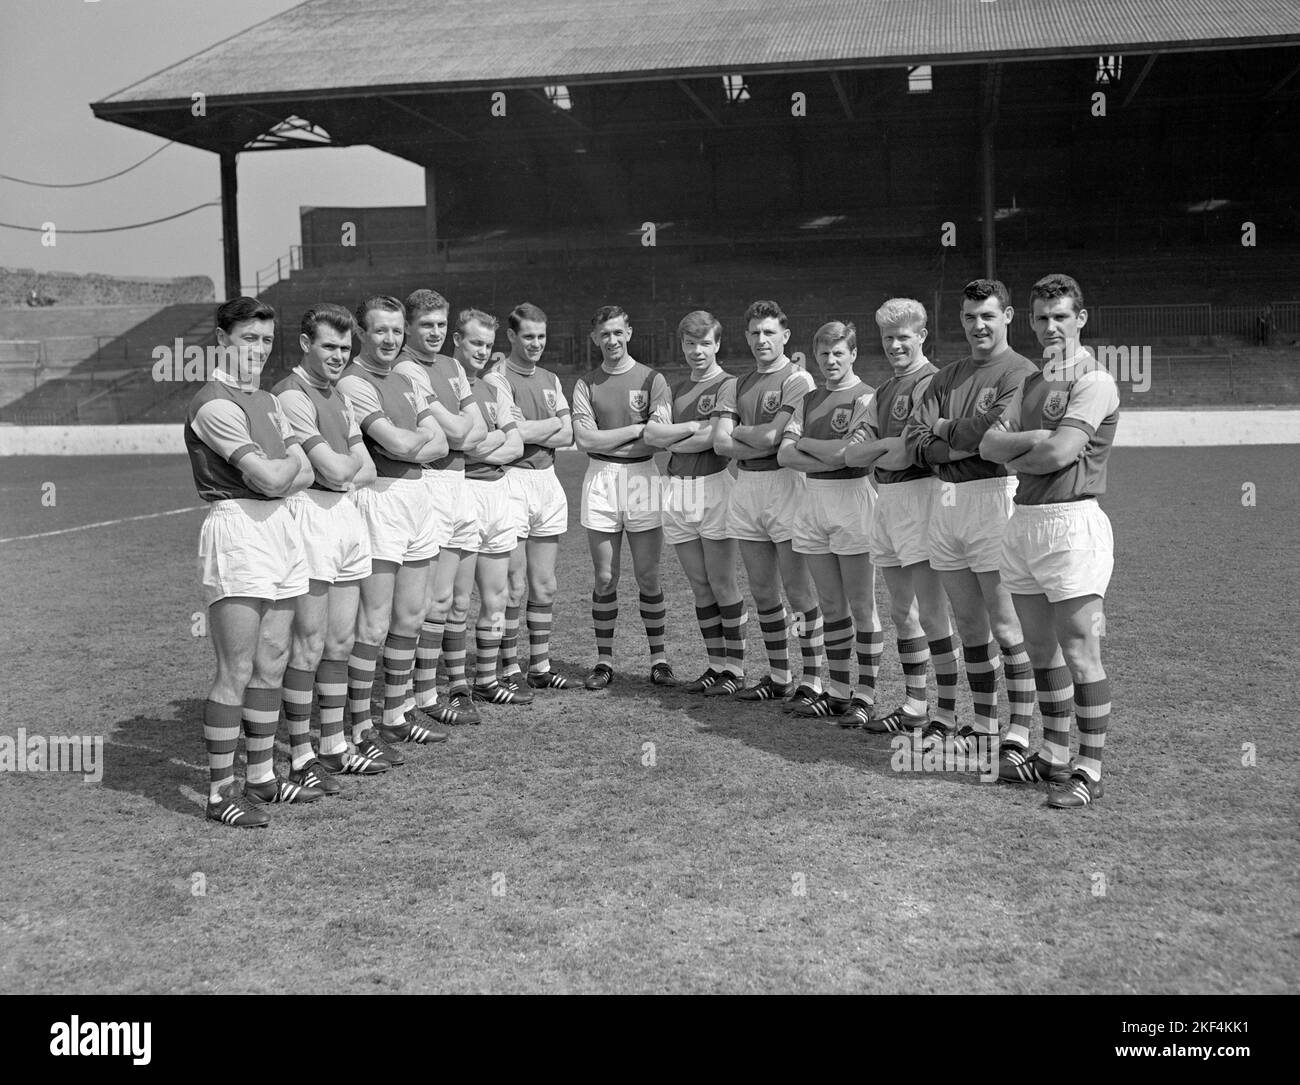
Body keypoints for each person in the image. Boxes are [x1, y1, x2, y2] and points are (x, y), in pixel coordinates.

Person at [979, 274, 1119, 808]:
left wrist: (1019, 448)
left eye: (1061, 316)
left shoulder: (1096, 380)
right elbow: (989, 444)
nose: (1050, 326)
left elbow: (1060, 454)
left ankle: (1089, 769)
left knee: (1081, 651)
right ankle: (1054, 756)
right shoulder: (1031, 383)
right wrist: (1025, 443)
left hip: (1072, 524)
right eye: (1041, 317)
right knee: (1040, 650)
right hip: (1024, 522)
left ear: (1081, 318)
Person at [185, 296, 319, 827]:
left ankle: (261, 778)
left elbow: (304, 473)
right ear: (222, 339)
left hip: (281, 526)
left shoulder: (267, 399)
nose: (258, 350)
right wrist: (285, 467)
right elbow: (270, 478)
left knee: (274, 658)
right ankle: (220, 791)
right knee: (236, 667)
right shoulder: (213, 403)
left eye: (266, 340)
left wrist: (283, 468)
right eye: (248, 339)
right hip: (238, 525)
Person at [903, 279, 1038, 757]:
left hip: (994, 498)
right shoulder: (947, 375)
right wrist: (951, 440)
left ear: (1007, 316)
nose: (977, 325)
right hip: (946, 501)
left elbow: (992, 438)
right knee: (969, 624)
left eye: (987, 316)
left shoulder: (1021, 373)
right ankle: (982, 721)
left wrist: (947, 434)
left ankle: (1019, 729)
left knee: (1006, 624)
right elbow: (915, 443)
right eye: (969, 317)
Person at [272, 303, 389, 787]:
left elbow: (368, 468)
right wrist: (344, 466)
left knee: (342, 639)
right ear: (305, 344)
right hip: (311, 514)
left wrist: (344, 466)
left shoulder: (338, 396)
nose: (340, 355)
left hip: (346, 515)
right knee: (310, 642)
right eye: (329, 346)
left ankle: (335, 744)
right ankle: (300, 754)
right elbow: (340, 469)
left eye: (345, 347)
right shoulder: (291, 394)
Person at [337, 295, 449, 766]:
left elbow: (440, 443)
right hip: (380, 497)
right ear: (363, 333)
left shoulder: (406, 378)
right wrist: (417, 440)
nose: (390, 339)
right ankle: (360, 725)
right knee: (375, 620)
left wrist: (415, 443)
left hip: (419, 495)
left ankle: (396, 713)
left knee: (412, 613)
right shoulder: (353, 381)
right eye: (380, 330)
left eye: (396, 331)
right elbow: (399, 442)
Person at [844, 298, 959, 736]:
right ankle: (914, 705)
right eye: (888, 338)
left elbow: (905, 450)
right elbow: (853, 452)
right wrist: (883, 450)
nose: (895, 345)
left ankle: (945, 715)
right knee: (900, 610)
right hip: (886, 500)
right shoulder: (884, 390)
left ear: (922, 336)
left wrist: (881, 450)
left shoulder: (934, 382)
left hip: (922, 497)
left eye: (903, 337)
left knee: (932, 612)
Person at [711, 300, 826, 711]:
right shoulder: (734, 385)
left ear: (785, 336)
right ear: (746, 337)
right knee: (762, 590)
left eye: (769, 332)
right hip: (746, 488)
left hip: (786, 486)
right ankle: (780, 677)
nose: (762, 339)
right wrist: (751, 436)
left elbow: (774, 441)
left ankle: (812, 679)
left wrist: (744, 434)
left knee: (798, 590)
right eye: (755, 333)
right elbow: (720, 443)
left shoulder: (798, 378)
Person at [391, 288, 487, 726]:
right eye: (426, 324)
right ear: (409, 327)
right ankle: (416, 695)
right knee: (426, 599)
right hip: (428, 482)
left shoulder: (451, 365)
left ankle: (435, 690)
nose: (434, 332)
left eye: (441, 325)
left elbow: (476, 431)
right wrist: (463, 431)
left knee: (449, 598)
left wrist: (462, 431)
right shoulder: (406, 368)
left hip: (459, 482)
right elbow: (447, 435)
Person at [777, 321, 879, 723]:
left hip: (852, 499)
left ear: (853, 353)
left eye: (839, 353)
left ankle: (866, 695)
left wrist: (805, 443)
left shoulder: (865, 396)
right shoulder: (809, 397)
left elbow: (849, 455)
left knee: (861, 605)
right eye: (824, 354)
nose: (831, 361)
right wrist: (820, 451)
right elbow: (785, 455)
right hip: (812, 500)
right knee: (832, 605)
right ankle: (837, 691)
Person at [571, 304, 677, 690]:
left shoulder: (653, 380)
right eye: (604, 334)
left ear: (629, 332)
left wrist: (634, 433)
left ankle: (659, 659)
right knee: (604, 577)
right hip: (600, 478)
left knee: (648, 576)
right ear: (594, 338)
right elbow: (585, 440)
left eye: (618, 332)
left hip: (642, 477)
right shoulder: (586, 384)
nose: (612, 340)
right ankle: (603, 661)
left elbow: (658, 435)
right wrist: (636, 429)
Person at [645, 310, 746, 696]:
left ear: (717, 344)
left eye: (705, 343)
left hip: (713, 486)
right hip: (677, 490)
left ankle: (735, 670)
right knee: (700, 585)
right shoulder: (673, 388)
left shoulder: (728, 385)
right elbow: (654, 434)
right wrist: (686, 431)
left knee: (722, 582)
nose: (697, 351)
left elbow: (714, 439)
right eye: (690, 343)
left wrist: (673, 438)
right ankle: (715, 665)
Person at [447, 308, 533, 707]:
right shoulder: (443, 385)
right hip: (462, 492)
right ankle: (455, 684)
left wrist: (482, 447)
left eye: (487, 344)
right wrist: (492, 442)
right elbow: (455, 447)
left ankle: (486, 678)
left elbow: (516, 446)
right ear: (457, 342)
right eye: (474, 342)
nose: (482, 351)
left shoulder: (493, 389)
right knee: (457, 600)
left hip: (498, 494)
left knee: (495, 597)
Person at [488, 303, 574, 690]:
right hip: (513, 481)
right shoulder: (496, 378)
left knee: (545, 584)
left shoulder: (551, 378)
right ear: (511, 336)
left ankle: (539, 666)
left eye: (541, 336)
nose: (536, 343)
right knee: (515, 584)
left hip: (548, 480)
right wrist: (551, 423)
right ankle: (509, 668)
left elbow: (569, 434)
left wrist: (535, 428)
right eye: (528, 336)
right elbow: (513, 435)